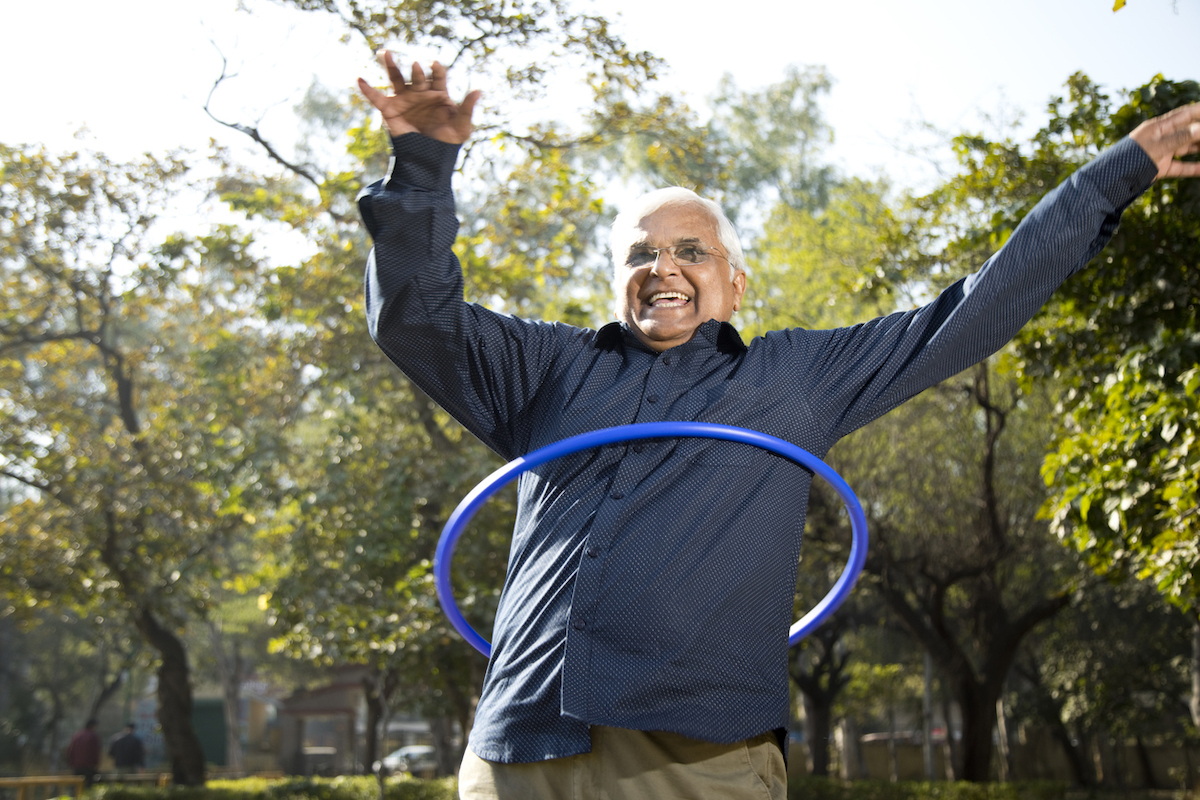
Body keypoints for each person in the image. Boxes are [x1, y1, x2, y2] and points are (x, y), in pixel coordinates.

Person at [355, 53, 1200, 799]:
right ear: (617, 280)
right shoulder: (545, 368)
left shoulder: (795, 378)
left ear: (735, 282)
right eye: (640, 255)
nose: (665, 269)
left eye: (691, 251)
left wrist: (1109, 177)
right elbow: (413, 316)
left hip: (698, 757)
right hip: (524, 749)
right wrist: (423, 162)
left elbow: (972, 312)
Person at [65, 718, 101, 787]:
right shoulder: (92, 736)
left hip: (76, 766)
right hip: (88, 767)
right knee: (89, 787)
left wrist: (71, 763)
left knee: (77, 788)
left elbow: (70, 751)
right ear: (93, 726)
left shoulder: (77, 735)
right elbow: (95, 752)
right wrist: (96, 764)